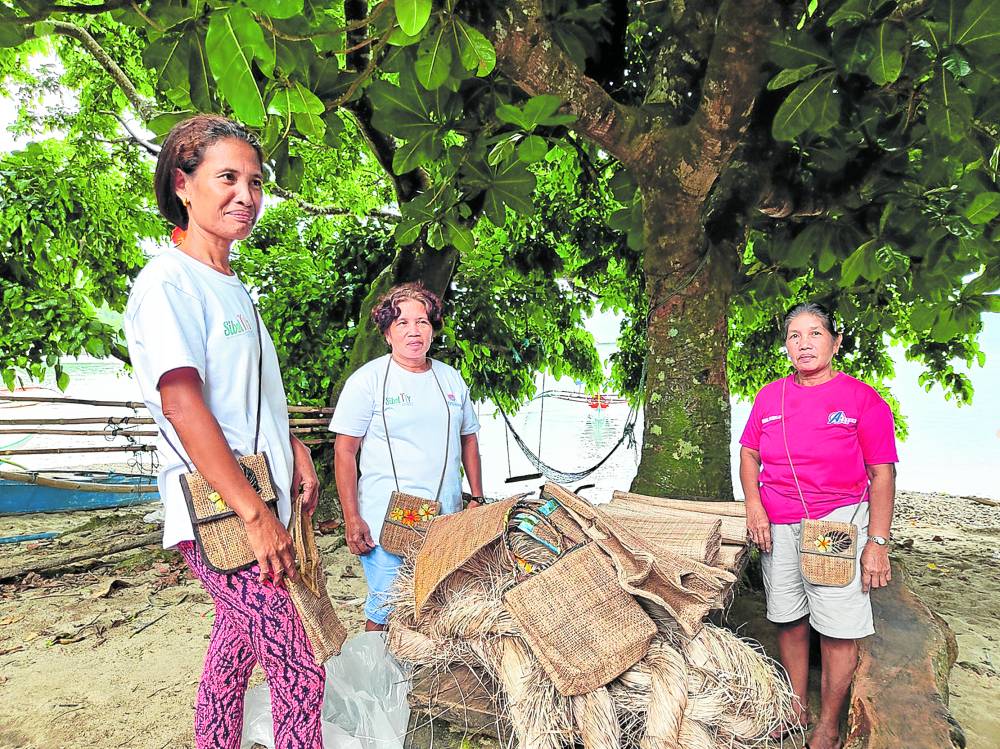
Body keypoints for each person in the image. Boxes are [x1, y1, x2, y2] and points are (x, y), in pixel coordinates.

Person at [124, 115, 325, 749]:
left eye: (256, 182)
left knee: (233, 657)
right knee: (301, 673)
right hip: (222, 509)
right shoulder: (169, 283)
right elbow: (183, 407)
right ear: (183, 186)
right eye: (227, 178)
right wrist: (254, 515)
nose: (246, 195)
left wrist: (292, 447)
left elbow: (246, 398)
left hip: (255, 494)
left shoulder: (232, 285)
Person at [738, 302, 897, 749]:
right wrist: (754, 505)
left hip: (834, 525)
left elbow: (882, 473)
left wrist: (877, 542)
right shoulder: (769, 397)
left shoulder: (862, 399)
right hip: (778, 525)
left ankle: (828, 724)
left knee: (836, 625)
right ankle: (795, 705)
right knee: (787, 617)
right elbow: (749, 453)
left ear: (835, 342)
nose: (804, 343)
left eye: (815, 334)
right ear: (786, 346)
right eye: (795, 335)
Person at [330, 282, 483, 631]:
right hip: (387, 517)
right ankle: (374, 667)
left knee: (434, 606)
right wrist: (352, 517)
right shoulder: (368, 381)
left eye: (422, 322)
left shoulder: (451, 379)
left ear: (433, 329)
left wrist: (476, 497)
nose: (414, 331)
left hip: (443, 517)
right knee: (386, 609)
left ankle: (412, 668)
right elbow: (345, 450)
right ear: (387, 333)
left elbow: (469, 439)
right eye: (402, 323)